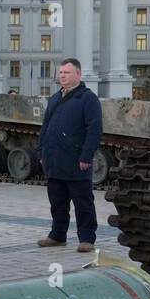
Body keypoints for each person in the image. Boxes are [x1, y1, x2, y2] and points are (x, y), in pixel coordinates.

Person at [36, 59, 103, 253]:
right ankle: (57, 236)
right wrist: (41, 151)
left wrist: (86, 157)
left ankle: (87, 239)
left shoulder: (87, 99)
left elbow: (94, 130)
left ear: (78, 75)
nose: (62, 75)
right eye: (61, 72)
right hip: (54, 161)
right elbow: (45, 127)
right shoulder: (55, 98)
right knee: (57, 203)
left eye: (66, 72)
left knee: (83, 203)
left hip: (76, 162)